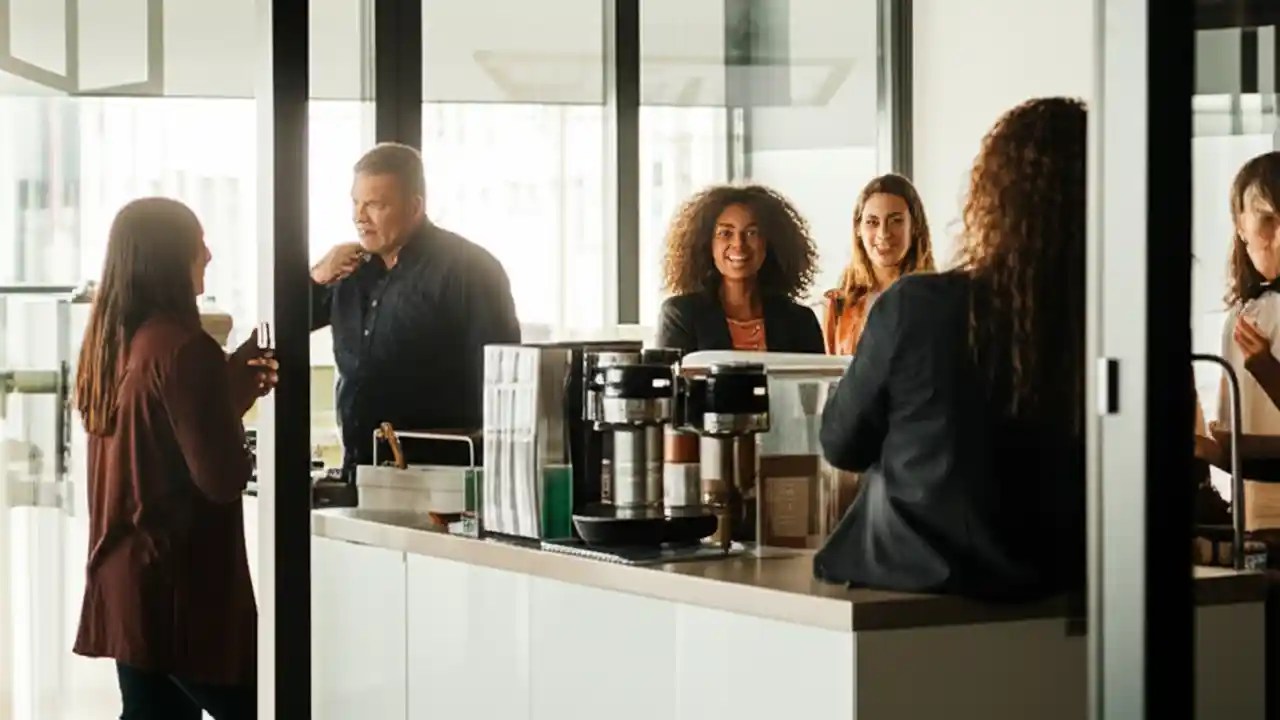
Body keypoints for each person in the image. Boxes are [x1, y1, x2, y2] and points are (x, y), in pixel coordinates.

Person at [815, 97, 1087, 600]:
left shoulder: (917, 307)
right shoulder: (1120, 320)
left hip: (916, 582)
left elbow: (841, 442)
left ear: (993, 199)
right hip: (1073, 585)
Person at [72, 197, 277, 719]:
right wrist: (227, 415)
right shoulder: (186, 349)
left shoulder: (113, 346)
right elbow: (222, 478)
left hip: (127, 581)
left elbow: (156, 439)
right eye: (197, 243)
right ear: (170, 257)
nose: (208, 253)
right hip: (181, 591)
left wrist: (223, 393)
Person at [310, 143, 520, 473]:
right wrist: (316, 276)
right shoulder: (346, 270)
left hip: (442, 474)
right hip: (360, 468)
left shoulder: (469, 269)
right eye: (356, 202)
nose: (359, 217)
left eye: (375, 205)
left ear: (414, 207)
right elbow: (284, 326)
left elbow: (503, 380)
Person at [655, 184, 824, 354]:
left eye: (752, 233)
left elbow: (816, 379)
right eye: (725, 233)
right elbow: (670, 379)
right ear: (707, 244)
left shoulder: (800, 321)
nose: (739, 244)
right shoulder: (681, 315)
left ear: (770, 243)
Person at [1216, 151, 1280, 529]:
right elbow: (1233, 439)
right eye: (1267, 220)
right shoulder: (1241, 314)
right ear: (1240, 225)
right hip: (1253, 520)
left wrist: (1269, 371)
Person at [822, 173, 935, 355]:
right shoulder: (839, 306)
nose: (883, 233)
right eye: (872, 222)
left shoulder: (937, 301)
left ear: (915, 227)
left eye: (896, 221)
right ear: (858, 228)